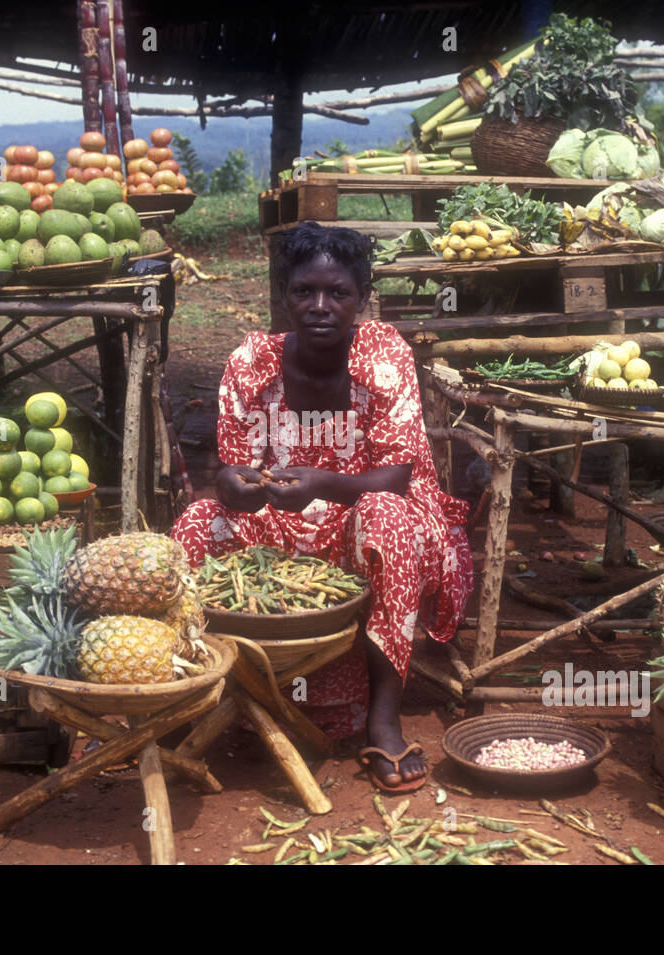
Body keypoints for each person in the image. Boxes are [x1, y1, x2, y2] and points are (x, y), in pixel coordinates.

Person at [171, 221, 473, 792]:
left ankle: (383, 715)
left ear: (361, 298)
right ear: (283, 296)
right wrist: (235, 488)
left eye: (338, 293)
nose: (319, 306)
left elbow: (399, 475)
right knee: (191, 527)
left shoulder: (384, 354)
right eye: (303, 291)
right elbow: (234, 467)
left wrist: (322, 484)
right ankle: (187, 690)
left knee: (386, 520)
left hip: (372, 511)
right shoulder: (251, 362)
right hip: (283, 518)